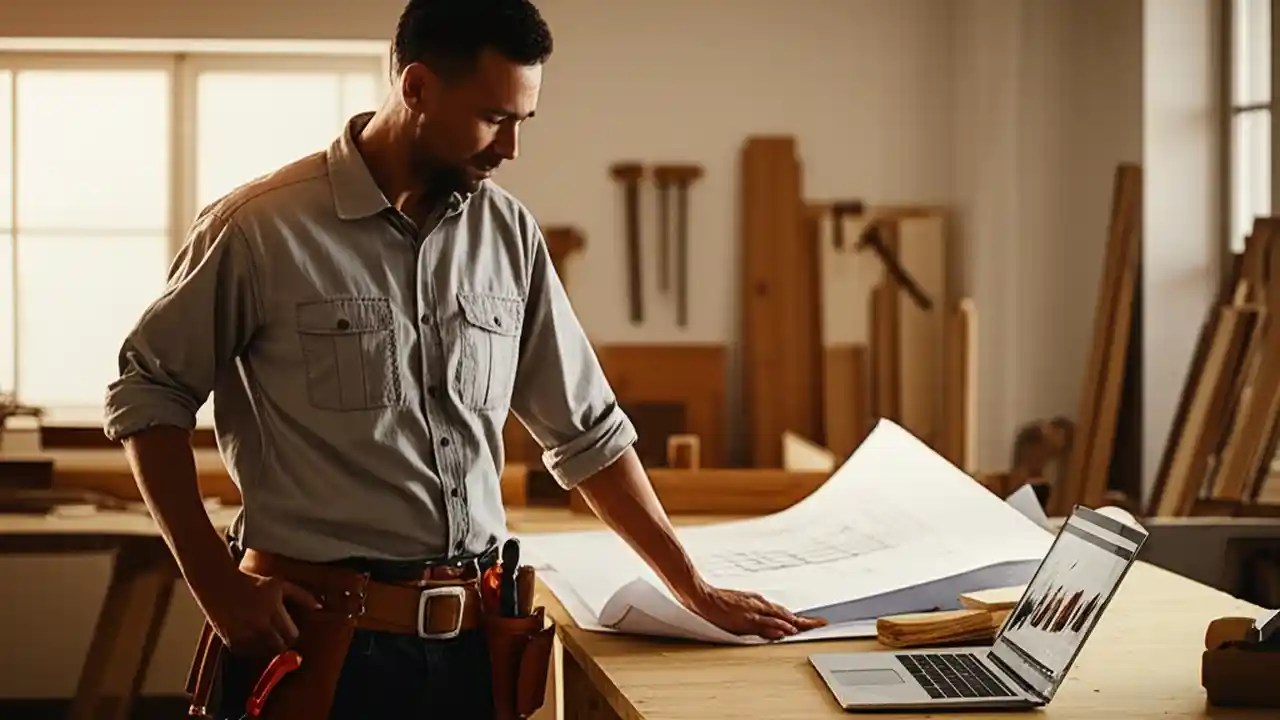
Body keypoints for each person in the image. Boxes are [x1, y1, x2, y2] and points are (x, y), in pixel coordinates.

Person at [103, 1, 824, 717]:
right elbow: (148, 395)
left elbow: (589, 435)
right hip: (318, 648)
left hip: (473, 654)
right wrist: (217, 585)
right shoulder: (260, 230)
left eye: (522, 121)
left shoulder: (509, 235)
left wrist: (693, 588)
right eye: (493, 118)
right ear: (415, 88)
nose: (511, 148)